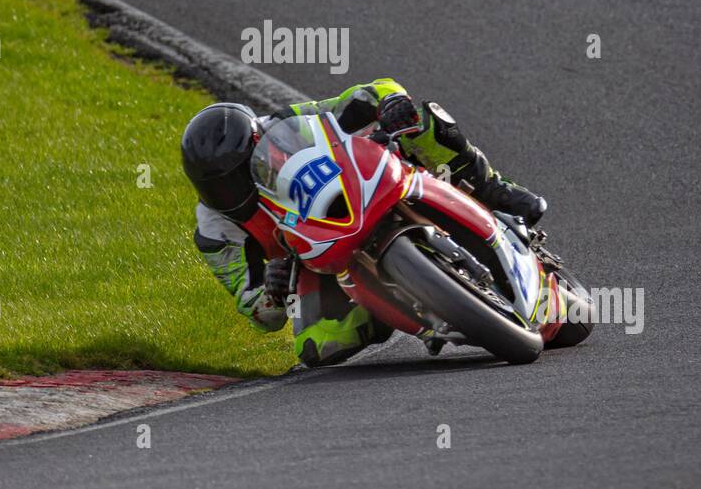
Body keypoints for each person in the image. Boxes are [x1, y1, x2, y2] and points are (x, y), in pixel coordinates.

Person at [180, 80, 546, 368]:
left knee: (424, 120)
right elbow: (258, 313)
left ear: (256, 140)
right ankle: (397, 302)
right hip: (314, 256)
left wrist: (388, 103)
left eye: (236, 178)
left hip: (357, 186)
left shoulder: (282, 124)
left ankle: (493, 187)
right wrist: (272, 296)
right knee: (318, 346)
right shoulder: (215, 230)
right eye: (218, 188)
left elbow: (361, 96)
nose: (232, 193)